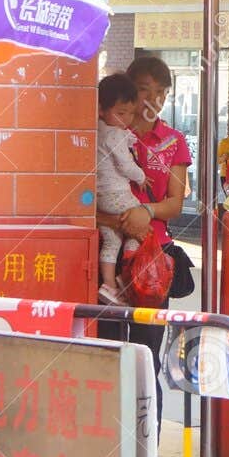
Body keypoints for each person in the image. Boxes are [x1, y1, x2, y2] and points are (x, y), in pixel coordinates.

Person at [97, 54, 193, 425]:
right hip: (107, 256)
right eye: (144, 92)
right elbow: (82, 199)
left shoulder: (172, 141)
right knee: (105, 351)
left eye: (162, 93)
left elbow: (175, 202)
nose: (152, 101)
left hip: (152, 263)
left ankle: (146, 451)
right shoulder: (106, 133)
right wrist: (115, 221)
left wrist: (147, 213)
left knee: (146, 355)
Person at [95, 73, 148, 302]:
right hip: (118, 194)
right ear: (101, 109)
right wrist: (141, 177)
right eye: (121, 113)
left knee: (112, 240)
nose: (126, 119)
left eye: (131, 114)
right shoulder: (115, 134)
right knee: (140, 226)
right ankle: (127, 278)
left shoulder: (95, 131)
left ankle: (107, 284)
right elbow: (126, 165)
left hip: (100, 198)